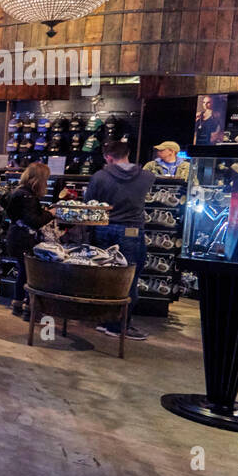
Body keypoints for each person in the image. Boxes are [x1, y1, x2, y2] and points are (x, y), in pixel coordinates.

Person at [85, 141, 155, 341]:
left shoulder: (99, 177)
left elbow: (89, 205)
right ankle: (118, 325)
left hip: (103, 229)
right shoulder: (147, 176)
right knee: (128, 277)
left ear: (108, 157)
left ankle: (105, 319)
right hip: (131, 231)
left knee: (104, 275)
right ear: (129, 153)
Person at [5, 163, 55, 320]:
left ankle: (18, 304)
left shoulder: (19, 192)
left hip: (16, 236)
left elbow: (18, 214)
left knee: (23, 271)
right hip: (25, 239)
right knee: (32, 274)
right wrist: (50, 214)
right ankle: (30, 309)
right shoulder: (28, 196)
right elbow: (34, 221)